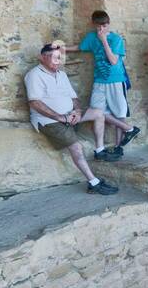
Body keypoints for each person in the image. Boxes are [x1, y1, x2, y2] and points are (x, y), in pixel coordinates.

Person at [24, 42, 120, 195]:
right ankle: (93, 182)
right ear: (43, 58)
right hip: (49, 121)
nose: (58, 61)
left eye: (59, 57)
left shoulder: (61, 74)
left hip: (70, 116)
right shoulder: (34, 75)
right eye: (54, 57)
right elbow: (34, 102)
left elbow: (74, 97)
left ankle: (100, 150)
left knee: (98, 113)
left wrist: (77, 111)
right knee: (77, 147)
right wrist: (60, 117)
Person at [77, 10, 141, 156]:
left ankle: (118, 147)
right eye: (99, 25)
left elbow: (113, 60)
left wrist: (104, 40)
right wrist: (62, 48)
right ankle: (129, 129)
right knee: (96, 112)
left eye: (105, 25)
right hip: (99, 81)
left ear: (108, 23)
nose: (102, 28)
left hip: (116, 80)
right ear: (94, 24)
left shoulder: (116, 39)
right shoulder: (91, 37)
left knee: (119, 113)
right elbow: (80, 47)